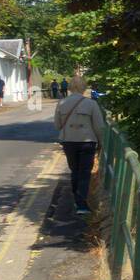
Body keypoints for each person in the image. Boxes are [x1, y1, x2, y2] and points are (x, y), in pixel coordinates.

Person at [54, 76, 106, 215]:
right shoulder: (91, 104)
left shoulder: (62, 103)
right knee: (84, 172)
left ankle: (78, 199)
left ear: (70, 87)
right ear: (84, 88)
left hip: (68, 141)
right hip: (87, 142)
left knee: (74, 170)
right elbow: (99, 127)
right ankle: (81, 204)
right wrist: (101, 143)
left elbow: (58, 125)